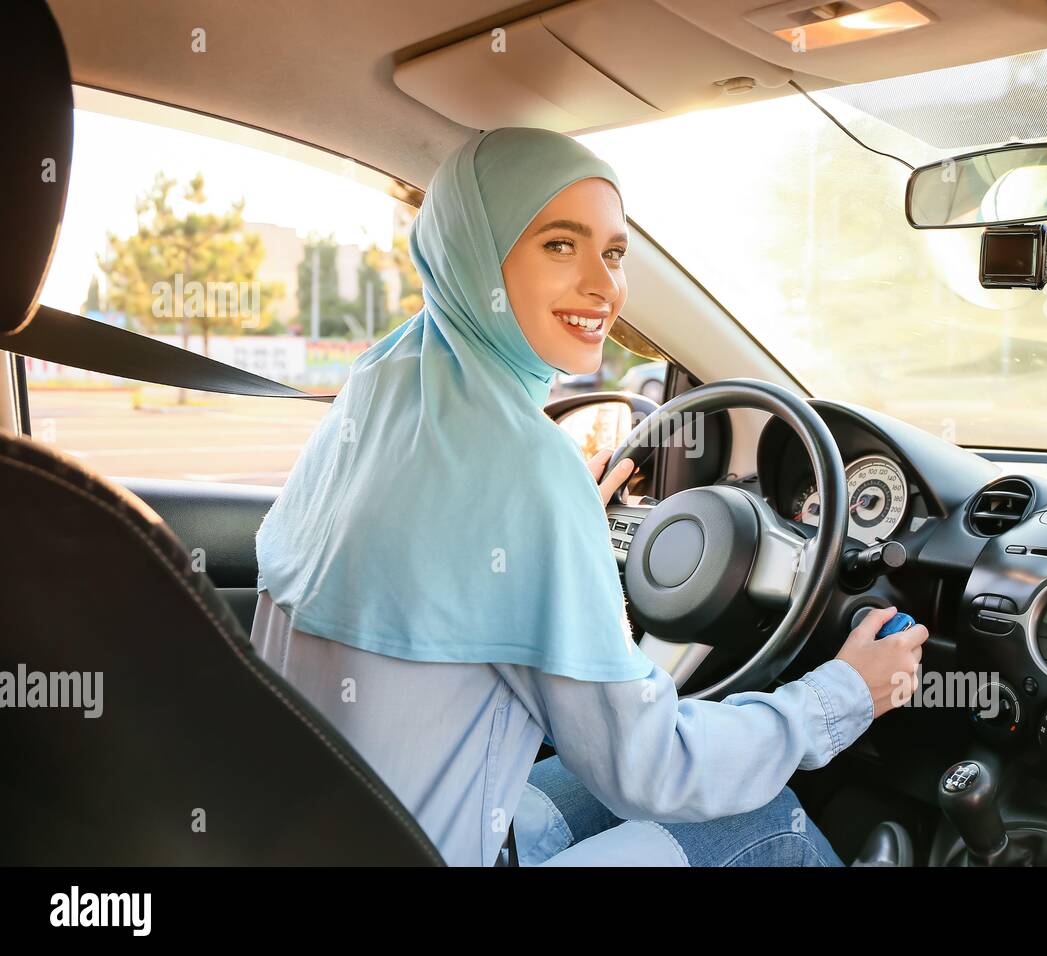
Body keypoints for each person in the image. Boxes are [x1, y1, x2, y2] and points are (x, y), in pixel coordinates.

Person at [249, 126, 928, 866]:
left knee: (589, 780)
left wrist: (565, 514)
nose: (605, 287)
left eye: (612, 252)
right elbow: (652, 769)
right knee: (771, 822)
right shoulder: (526, 470)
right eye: (559, 245)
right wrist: (845, 694)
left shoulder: (379, 391)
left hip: (324, 834)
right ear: (476, 254)